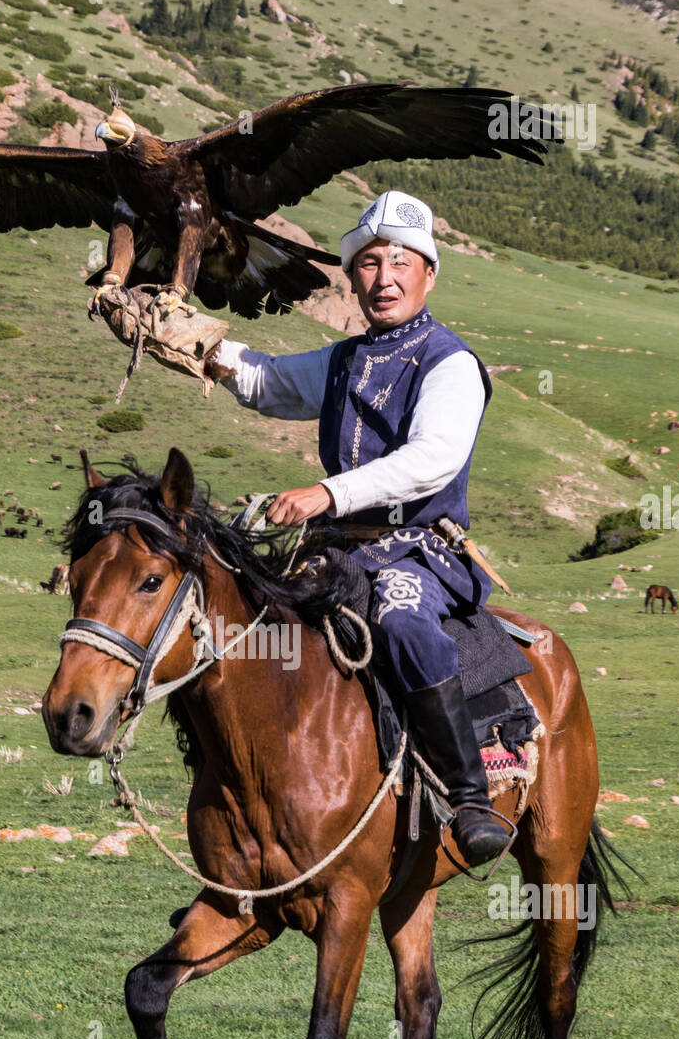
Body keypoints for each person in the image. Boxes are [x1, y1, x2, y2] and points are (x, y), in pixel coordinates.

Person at [207, 189, 513, 869]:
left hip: (420, 552)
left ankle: (468, 797)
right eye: (370, 263)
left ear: (428, 274)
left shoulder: (449, 362)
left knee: (402, 624)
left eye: (402, 262)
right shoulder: (346, 359)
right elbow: (271, 384)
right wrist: (196, 343)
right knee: (251, 618)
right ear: (352, 277)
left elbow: (431, 462)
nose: (385, 277)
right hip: (339, 553)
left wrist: (325, 493)